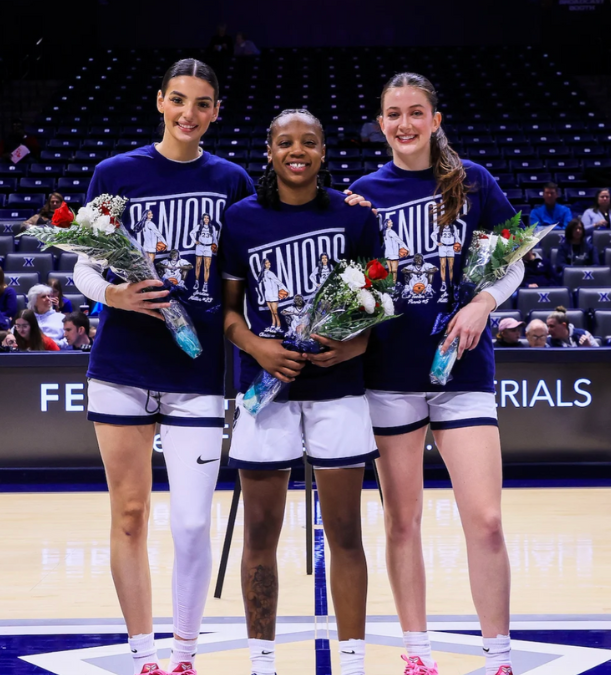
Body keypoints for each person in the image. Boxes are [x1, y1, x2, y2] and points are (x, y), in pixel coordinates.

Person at [69, 59, 255, 675]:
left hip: (196, 373)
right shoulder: (115, 172)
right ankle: (144, 653)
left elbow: (252, 263)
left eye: (202, 104)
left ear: (215, 112)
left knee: (195, 522)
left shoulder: (231, 180)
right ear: (159, 101)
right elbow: (83, 264)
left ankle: (186, 652)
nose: (188, 113)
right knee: (129, 512)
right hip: (121, 364)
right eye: (178, 100)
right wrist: (114, 295)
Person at [346, 72, 524, 675]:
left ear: (435, 119)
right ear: (382, 121)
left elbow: (512, 261)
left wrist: (483, 303)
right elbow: (348, 286)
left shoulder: (473, 181)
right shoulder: (363, 192)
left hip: (463, 372)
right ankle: (417, 652)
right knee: (403, 520)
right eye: (393, 113)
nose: (404, 124)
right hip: (389, 376)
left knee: (488, 520)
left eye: (415, 112)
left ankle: (498, 653)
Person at [220, 108, 377, 675]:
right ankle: (263, 662)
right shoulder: (241, 219)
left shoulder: (353, 217)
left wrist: (353, 347)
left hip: (338, 390)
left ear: (323, 152)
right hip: (267, 389)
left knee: (345, 534)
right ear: (269, 150)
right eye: (285, 141)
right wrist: (259, 349)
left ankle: (353, 662)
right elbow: (230, 315)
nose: (297, 151)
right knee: (260, 531)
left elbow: (378, 307)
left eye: (308, 142)